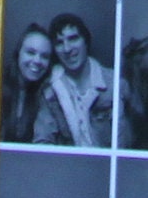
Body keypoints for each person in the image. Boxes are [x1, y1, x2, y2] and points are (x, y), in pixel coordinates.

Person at [33, 13, 113, 148]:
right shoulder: (50, 90)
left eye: (73, 38)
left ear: (86, 41)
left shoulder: (114, 84)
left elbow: (127, 143)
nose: (67, 48)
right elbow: (42, 142)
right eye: (59, 43)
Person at [0, 25, 54, 145]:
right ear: (19, 53)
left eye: (44, 56)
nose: (37, 61)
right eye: (31, 52)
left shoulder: (46, 95)